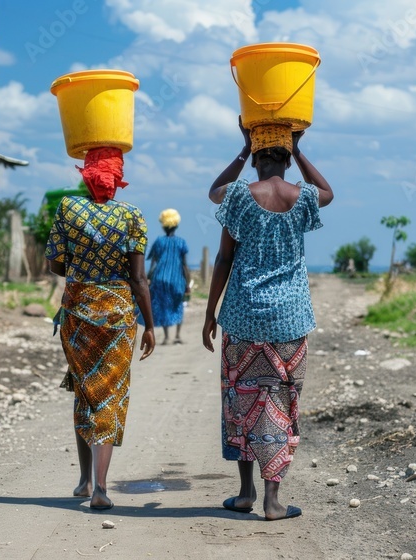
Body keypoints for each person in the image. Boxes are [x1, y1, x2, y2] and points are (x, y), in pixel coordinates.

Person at [202, 119, 333, 521]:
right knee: (280, 401)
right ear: (287, 160)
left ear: (256, 158)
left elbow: (222, 246)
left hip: (243, 316)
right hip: (289, 320)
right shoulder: (302, 195)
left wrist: (210, 313)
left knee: (240, 399)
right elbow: (328, 192)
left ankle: (244, 492)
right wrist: (300, 150)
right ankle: (272, 501)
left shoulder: (239, 196)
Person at [46, 146, 156, 511]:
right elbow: (139, 278)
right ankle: (101, 489)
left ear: (86, 174)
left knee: (85, 391)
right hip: (118, 317)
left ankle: (84, 479)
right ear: (117, 177)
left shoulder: (67, 209)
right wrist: (150, 325)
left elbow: (54, 265)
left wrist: (82, 270)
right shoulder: (132, 216)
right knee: (108, 395)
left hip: (77, 313)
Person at [147, 208, 190, 345]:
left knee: (164, 306)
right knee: (178, 306)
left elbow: (153, 263)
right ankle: (177, 335)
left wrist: (148, 278)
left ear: (163, 226)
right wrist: (187, 284)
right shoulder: (181, 242)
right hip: (177, 280)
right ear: (176, 225)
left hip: (160, 279)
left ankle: (166, 337)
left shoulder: (159, 241)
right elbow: (184, 265)